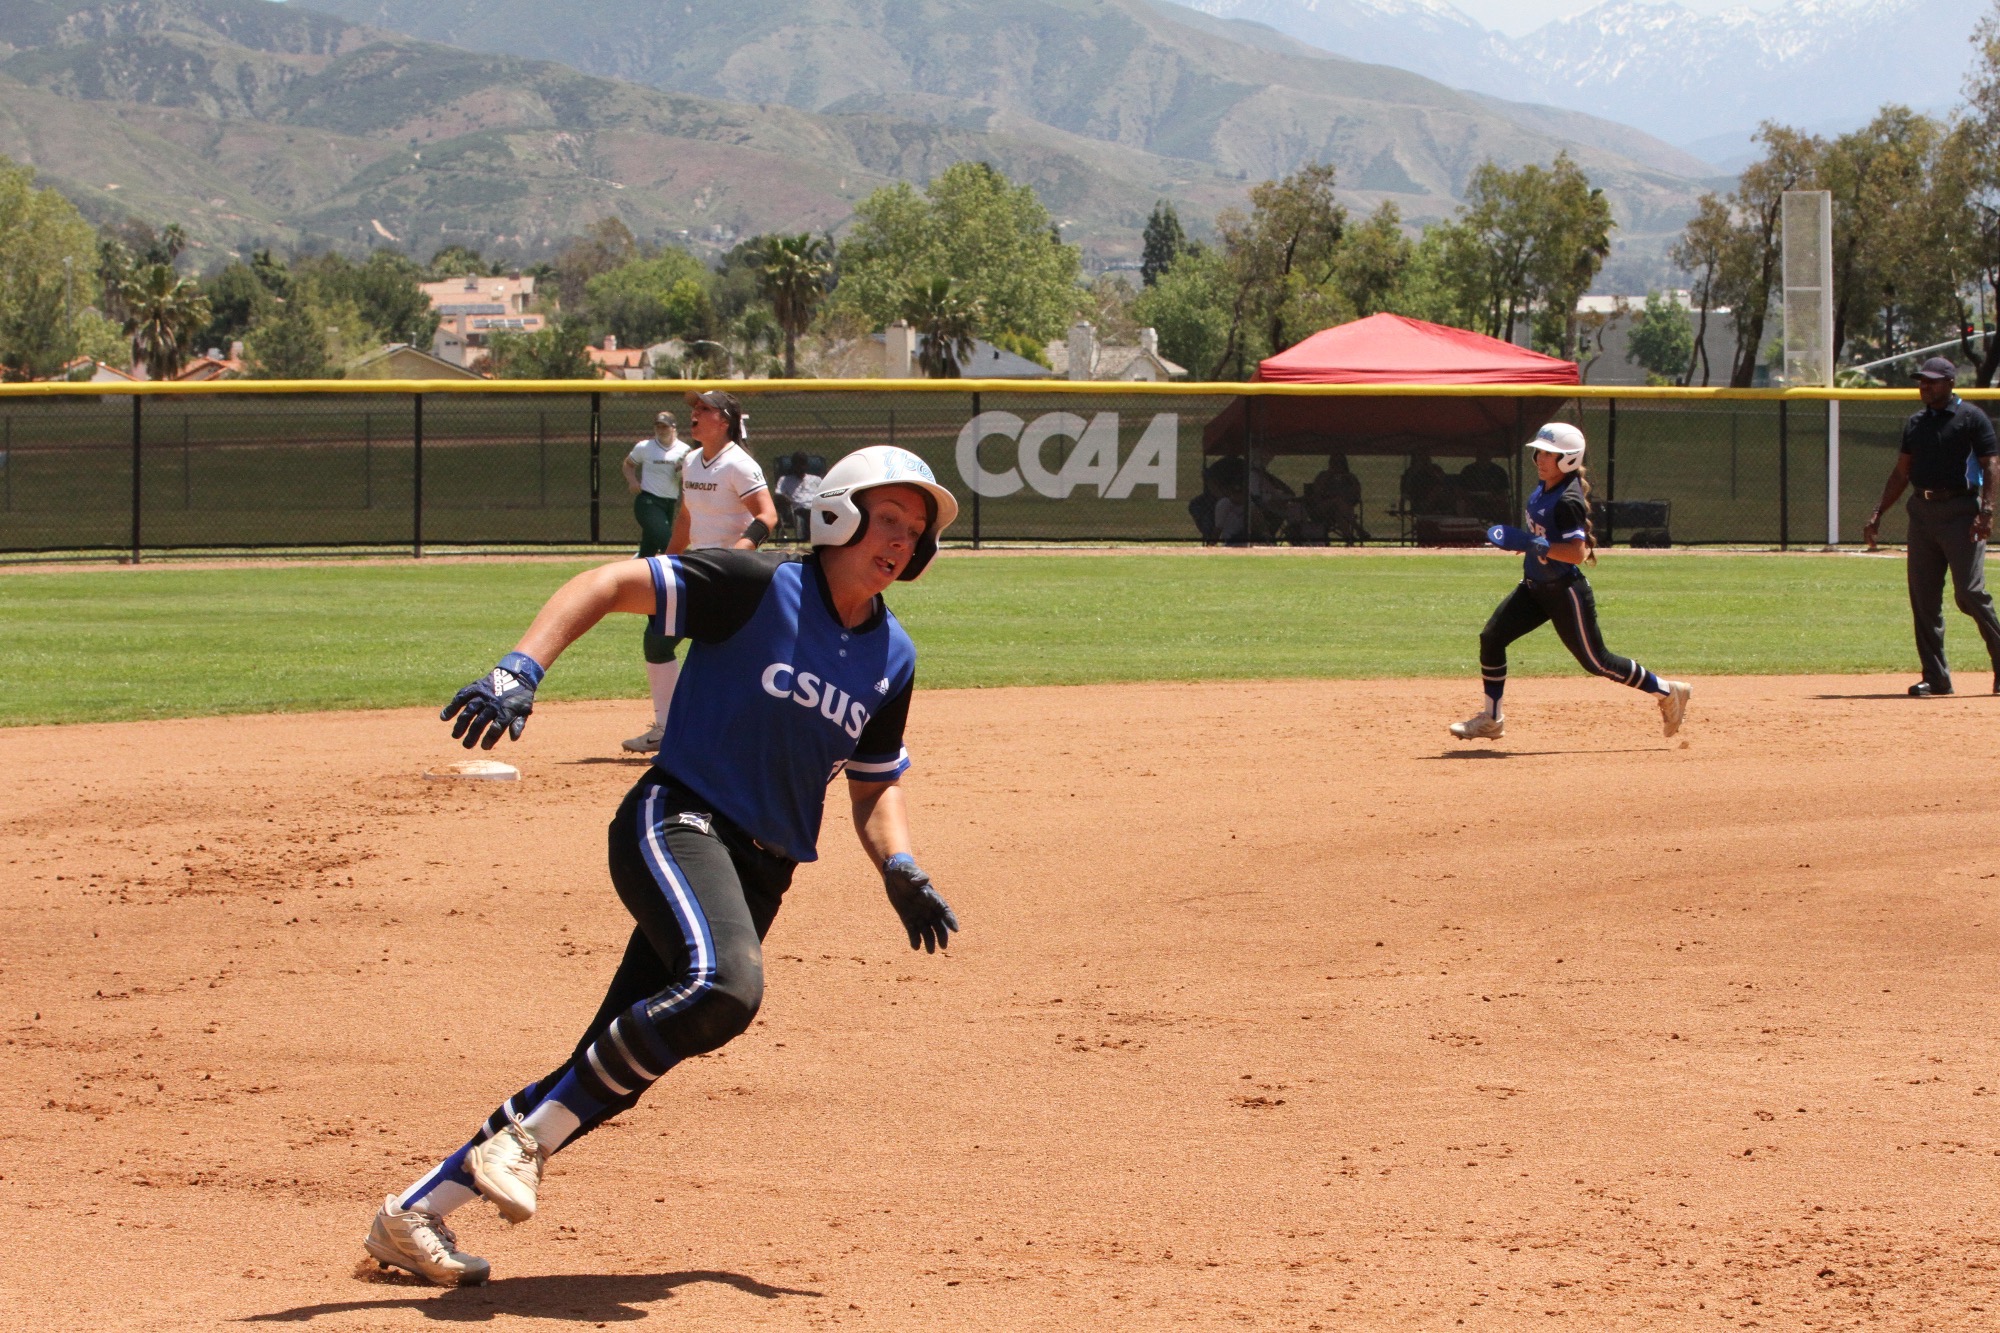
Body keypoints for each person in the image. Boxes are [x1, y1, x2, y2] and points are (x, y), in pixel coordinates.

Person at [362, 445, 963, 1288]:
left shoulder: (891, 655)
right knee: (726, 988)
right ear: (837, 515)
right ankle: (522, 1145)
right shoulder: (757, 587)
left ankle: (413, 1214)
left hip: (762, 875)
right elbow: (608, 585)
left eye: (916, 529)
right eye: (888, 518)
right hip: (677, 820)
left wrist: (900, 863)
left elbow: (873, 785)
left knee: (604, 1070)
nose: (900, 540)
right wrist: (518, 667)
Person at [1448, 423, 1692, 742]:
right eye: (1540, 451)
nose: (1540, 458)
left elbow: (1577, 553)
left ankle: (1668, 691)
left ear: (1568, 460)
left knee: (1597, 662)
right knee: (1492, 638)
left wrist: (1539, 546)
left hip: (1565, 592)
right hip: (1534, 587)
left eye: (1550, 454)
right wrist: (1529, 544)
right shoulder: (1543, 488)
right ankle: (1492, 719)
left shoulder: (1566, 499)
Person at [621, 390, 781, 753]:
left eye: (704, 409)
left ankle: (748, 733)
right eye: (694, 408)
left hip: (733, 574)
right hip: (696, 568)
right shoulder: (691, 460)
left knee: (728, 654)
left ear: (723, 421)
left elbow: (767, 515)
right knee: (659, 637)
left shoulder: (739, 464)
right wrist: (667, 560)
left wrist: (741, 554)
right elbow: (687, 516)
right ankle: (667, 727)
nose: (694, 413)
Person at [1860, 356, 2000, 696]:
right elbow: (1901, 472)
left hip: (1961, 512)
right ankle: (1936, 678)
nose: (1925, 385)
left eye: (1933, 380)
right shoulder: (1916, 423)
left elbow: (1992, 465)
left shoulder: (1971, 418)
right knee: (1923, 599)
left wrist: (1986, 512)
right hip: (1921, 513)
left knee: (1969, 593)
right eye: (1922, 380)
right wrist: (1878, 513)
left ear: (1950, 383)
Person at [620, 410, 692, 748]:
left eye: (666, 426)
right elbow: (627, 464)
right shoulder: (645, 447)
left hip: (669, 503)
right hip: (648, 501)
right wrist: (633, 482)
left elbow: (688, 476)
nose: (661, 430)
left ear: (674, 429)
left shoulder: (684, 452)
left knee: (651, 552)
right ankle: (658, 583)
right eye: (658, 426)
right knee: (665, 545)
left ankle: (640, 574)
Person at [1302, 454, 1369, 544]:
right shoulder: (1323, 475)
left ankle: (1349, 540)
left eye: (1340, 463)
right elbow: (1316, 493)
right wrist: (1328, 476)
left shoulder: (1350, 477)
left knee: (1339, 513)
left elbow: (1356, 494)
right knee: (1337, 502)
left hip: (1342, 510)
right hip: (1322, 509)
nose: (1337, 465)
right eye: (1334, 463)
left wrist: (1348, 480)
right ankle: (1358, 528)